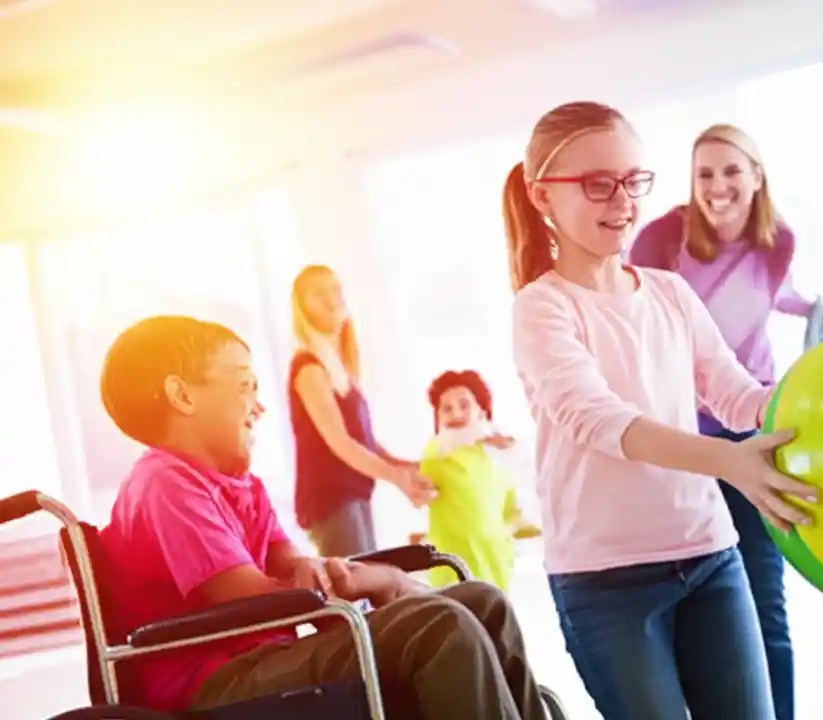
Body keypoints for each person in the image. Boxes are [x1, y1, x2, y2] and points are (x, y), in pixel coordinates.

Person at [502, 100, 818, 719]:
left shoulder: (670, 293)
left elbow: (737, 396)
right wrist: (728, 462)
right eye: (598, 184)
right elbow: (601, 419)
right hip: (605, 584)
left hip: (710, 560)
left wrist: (813, 404)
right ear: (543, 196)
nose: (622, 200)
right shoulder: (542, 309)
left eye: (633, 180)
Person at [96, 315, 547, 719]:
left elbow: (294, 570)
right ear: (182, 395)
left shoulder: (242, 486)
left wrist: (347, 578)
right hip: (218, 684)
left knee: (481, 602)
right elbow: (252, 599)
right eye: (244, 387)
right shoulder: (165, 483)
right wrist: (380, 582)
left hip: (270, 658)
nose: (259, 407)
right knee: (437, 627)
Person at [627, 124, 811, 719]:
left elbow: (764, 298)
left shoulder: (779, 241)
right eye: (704, 173)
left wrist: (817, 310)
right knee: (705, 604)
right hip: (685, 439)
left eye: (732, 171)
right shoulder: (661, 240)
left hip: (755, 428)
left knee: (766, 603)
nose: (717, 186)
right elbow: (639, 324)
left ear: (757, 176)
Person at [288, 264, 434, 556]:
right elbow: (340, 443)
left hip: (353, 493)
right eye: (318, 293)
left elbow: (363, 439)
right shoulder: (309, 369)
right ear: (302, 307)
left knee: (367, 585)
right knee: (357, 591)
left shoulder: (340, 370)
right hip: (330, 499)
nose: (332, 298)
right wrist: (397, 479)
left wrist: (405, 466)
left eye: (336, 289)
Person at [419, 369, 540, 591]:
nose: (455, 413)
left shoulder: (495, 459)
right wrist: (483, 435)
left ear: (482, 411)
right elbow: (450, 442)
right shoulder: (438, 452)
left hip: (496, 563)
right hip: (452, 567)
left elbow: (512, 511)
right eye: (446, 408)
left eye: (464, 405)